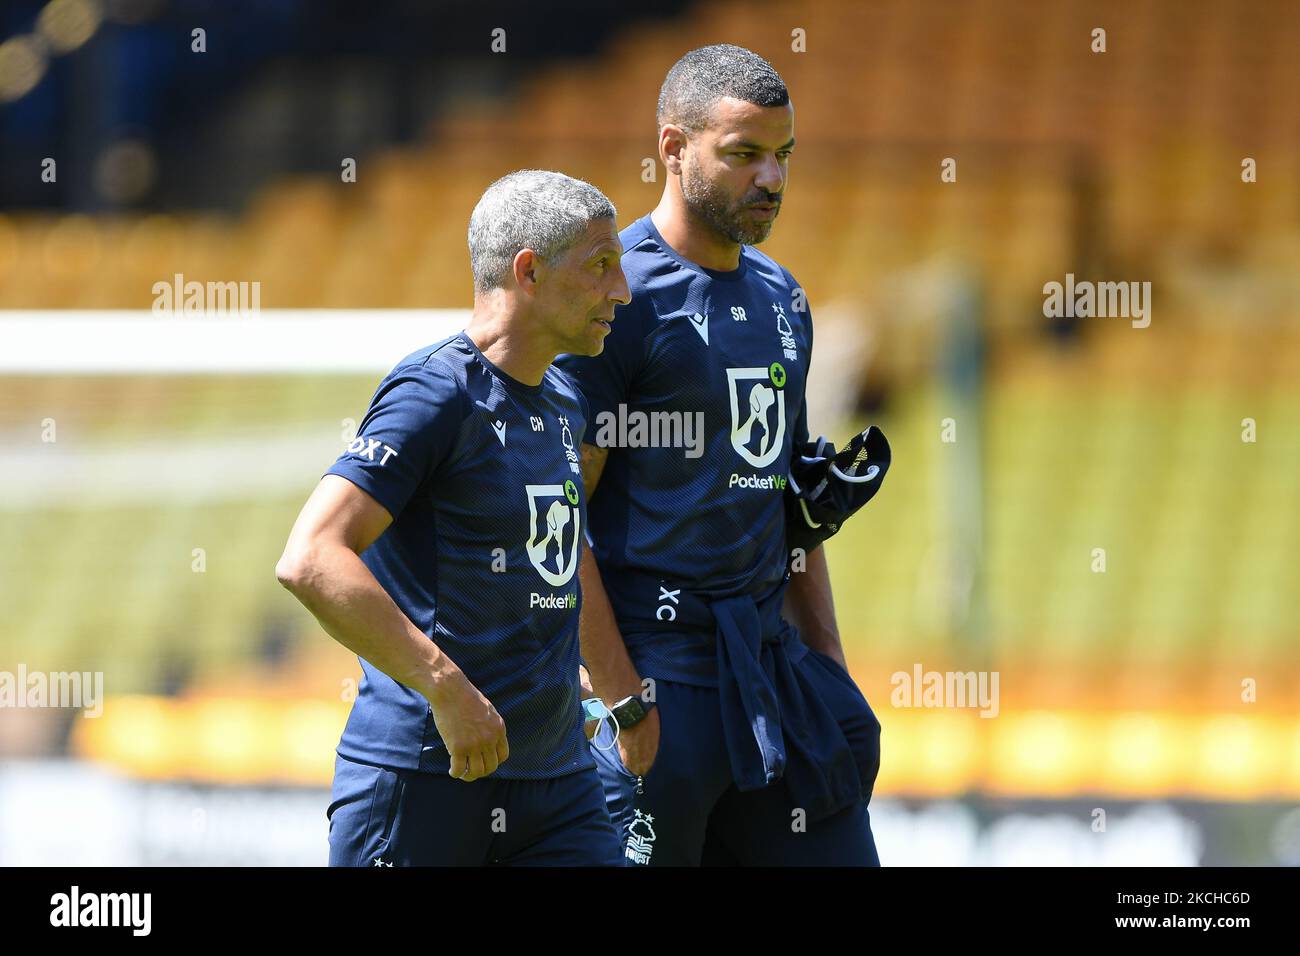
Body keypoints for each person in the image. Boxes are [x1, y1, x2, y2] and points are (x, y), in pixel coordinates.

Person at [556, 45, 883, 866]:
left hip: (773, 673)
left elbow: (795, 506)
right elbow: (560, 522)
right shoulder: (613, 296)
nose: (771, 178)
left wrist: (831, 666)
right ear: (673, 149)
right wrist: (623, 698)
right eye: (744, 155)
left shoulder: (784, 298)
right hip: (657, 680)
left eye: (783, 156)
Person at [277, 169, 631, 866]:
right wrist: (446, 687)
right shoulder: (435, 392)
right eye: (601, 267)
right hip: (427, 779)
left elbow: (544, 562)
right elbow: (312, 558)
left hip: (558, 785)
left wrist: (566, 674)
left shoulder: (564, 402)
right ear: (529, 272)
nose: (621, 290)